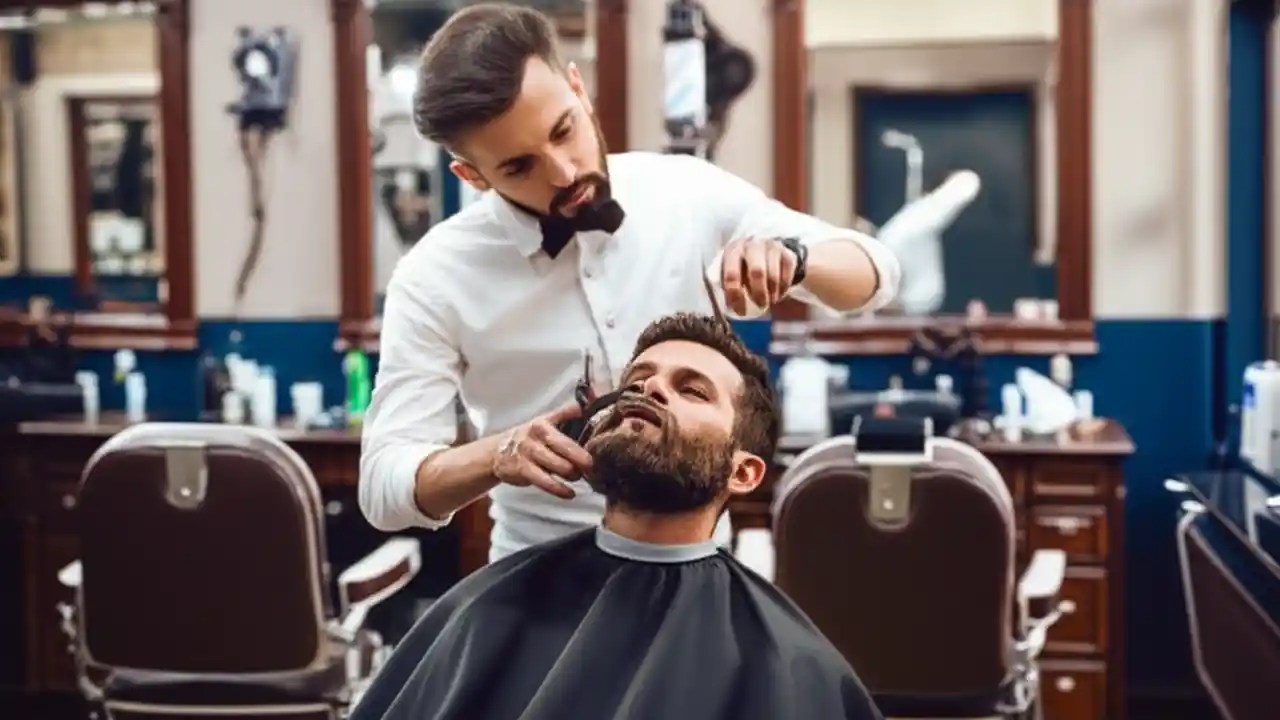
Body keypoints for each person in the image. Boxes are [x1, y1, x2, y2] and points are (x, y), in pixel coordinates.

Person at [358, 2, 902, 561]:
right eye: (519, 166)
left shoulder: (685, 192)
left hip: (692, 568)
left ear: (578, 88)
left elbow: (876, 274)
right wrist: (496, 455)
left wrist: (794, 258)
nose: (563, 173)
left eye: (563, 131)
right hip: (536, 580)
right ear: (470, 175)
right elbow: (383, 488)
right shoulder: (434, 276)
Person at [349, 313, 884, 720]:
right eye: (637, 381)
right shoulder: (487, 608)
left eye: (691, 389)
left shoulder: (786, 662)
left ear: (743, 474)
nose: (649, 389)